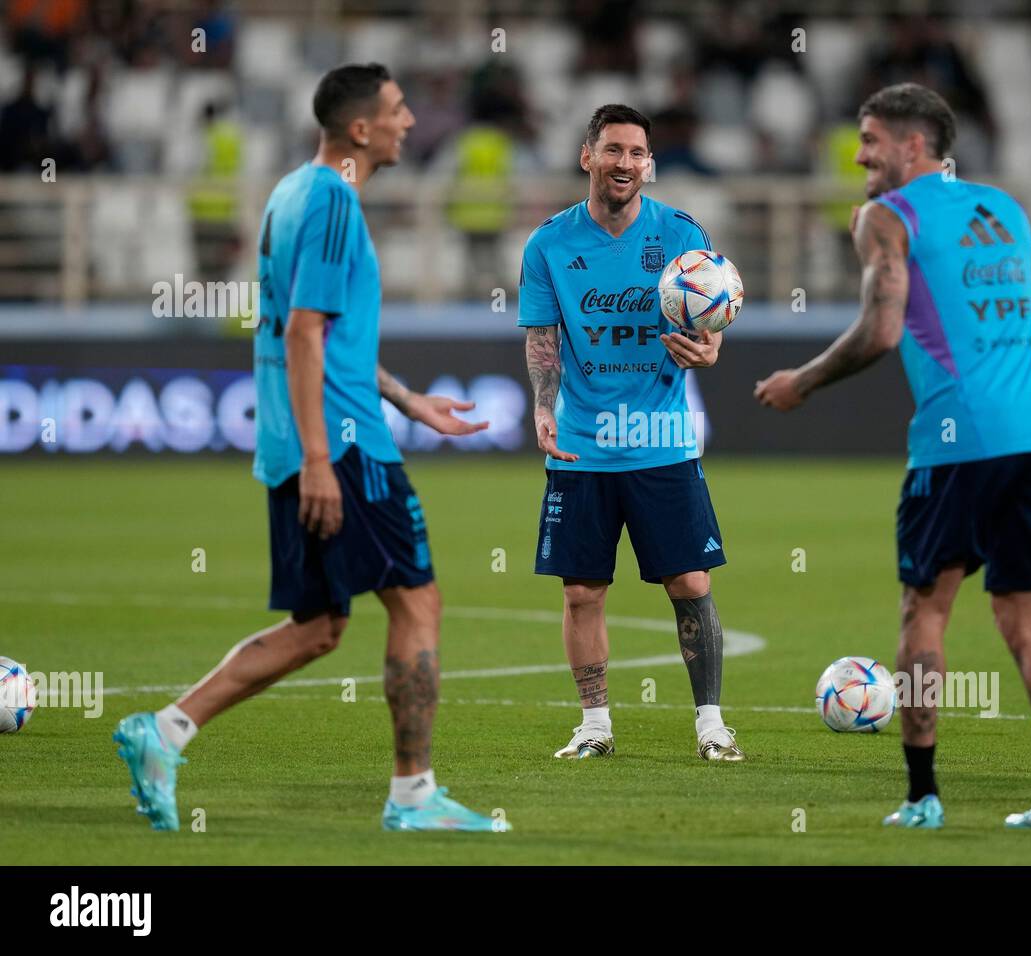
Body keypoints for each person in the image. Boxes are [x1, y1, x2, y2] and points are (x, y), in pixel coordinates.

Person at [113, 63, 507, 833]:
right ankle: (414, 796)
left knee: (322, 624)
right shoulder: (331, 200)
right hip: (342, 446)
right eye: (397, 110)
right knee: (417, 600)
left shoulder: (292, 192)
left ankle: (164, 732)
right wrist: (324, 458)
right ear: (360, 129)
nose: (409, 122)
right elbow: (300, 334)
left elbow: (320, 332)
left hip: (304, 436)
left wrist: (407, 399)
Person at [755, 83, 1031, 831]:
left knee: (925, 610)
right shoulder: (1005, 209)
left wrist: (801, 382)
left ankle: (921, 797)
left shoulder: (889, 217)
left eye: (870, 140)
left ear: (913, 146)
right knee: (1024, 617)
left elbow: (882, 331)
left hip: (958, 439)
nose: (858, 155)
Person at [518, 104, 743, 762]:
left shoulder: (679, 233)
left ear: (649, 164)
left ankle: (711, 725)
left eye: (637, 153)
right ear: (587, 156)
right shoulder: (549, 244)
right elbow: (542, 338)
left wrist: (712, 353)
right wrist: (542, 406)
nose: (625, 162)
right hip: (583, 444)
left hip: (661, 437)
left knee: (691, 585)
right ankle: (595, 725)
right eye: (613, 149)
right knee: (582, 590)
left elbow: (710, 326)